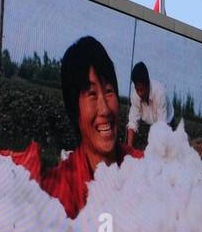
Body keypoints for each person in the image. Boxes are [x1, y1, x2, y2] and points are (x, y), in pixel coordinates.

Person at [41, 36, 140, 219]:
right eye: (92, 94)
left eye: (109, 91)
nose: (105, 109)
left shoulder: (144, 168)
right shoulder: (56, 193)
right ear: (74, 110)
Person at [125, 61, 174, 149]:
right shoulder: (135, 96)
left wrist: (150, 149)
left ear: (147, 84)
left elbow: (161, 126)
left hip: (167, 124)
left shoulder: (160, 93)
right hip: (152, 124)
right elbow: (133, 122)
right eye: (137, 89)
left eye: (142, 89)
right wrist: (129, 147)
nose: (139, 93)